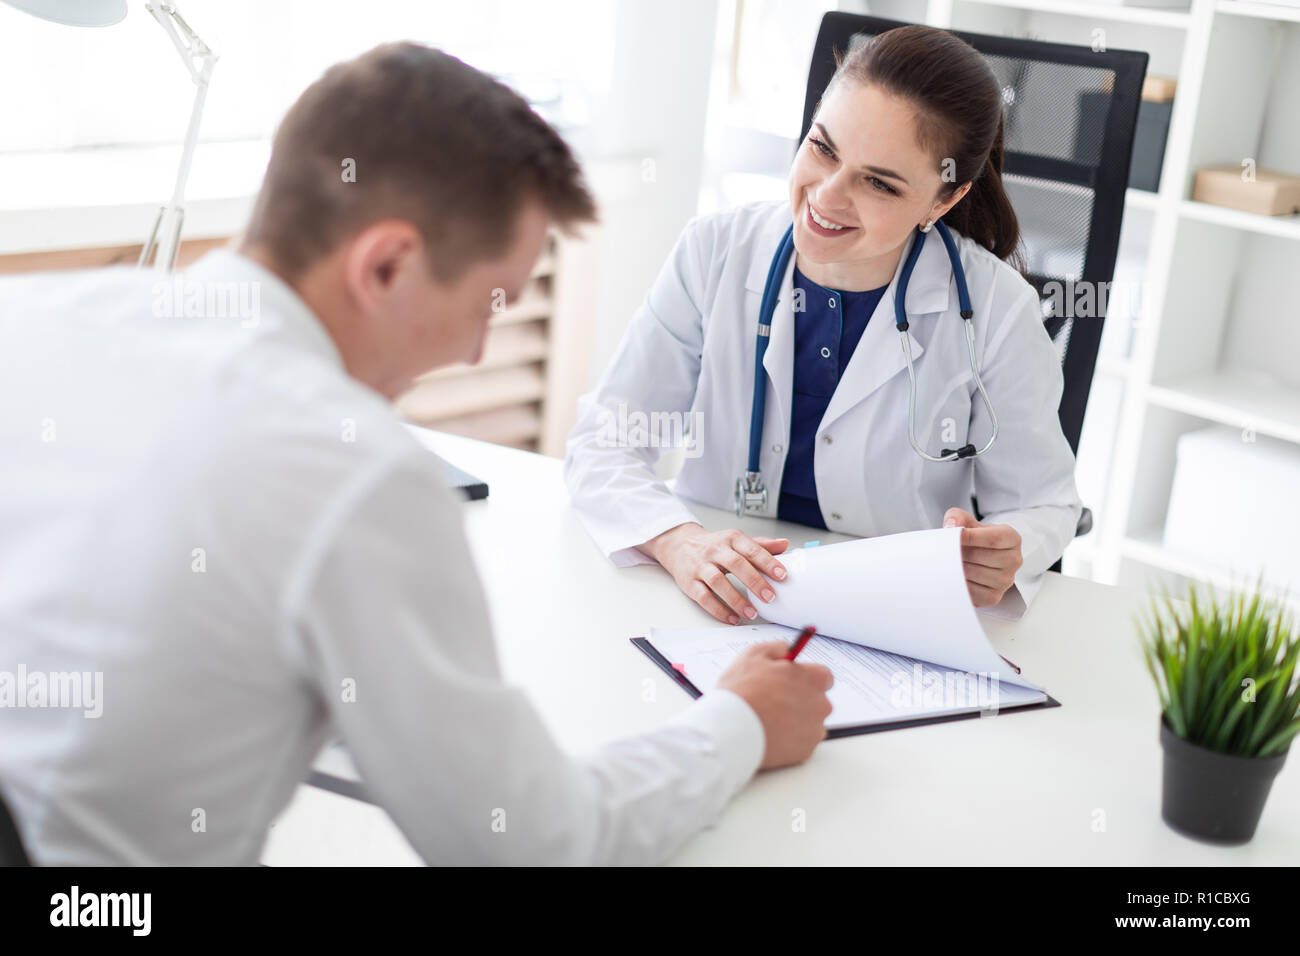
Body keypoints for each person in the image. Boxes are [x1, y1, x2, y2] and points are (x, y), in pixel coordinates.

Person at [0, 43, 833, 866]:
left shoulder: (26, 320)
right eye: (486, 303)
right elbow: (533, 843)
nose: (475, 351)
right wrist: (740, 723)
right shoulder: (352, 477)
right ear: (389, 264)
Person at [565, 25, 1082, 627]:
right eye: (823, 148)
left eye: (879, 182)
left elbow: (1042, 504)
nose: (827, 197)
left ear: (943, 200)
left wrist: (1006, 549)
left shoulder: (998, 310)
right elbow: (606, 441)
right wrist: (678, 541)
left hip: (888, 615)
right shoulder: (715, 251)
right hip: (716, 602)